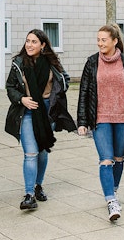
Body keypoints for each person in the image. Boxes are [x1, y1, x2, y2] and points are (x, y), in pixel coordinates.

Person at [76, 23, 124, 222]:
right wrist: (82, 121)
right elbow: (84, 93)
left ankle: (113, 190)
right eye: (98, 40)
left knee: (118, 158)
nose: (100, 43)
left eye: (104, 40)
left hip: (123, 118)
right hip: (100, 118)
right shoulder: (92, 62)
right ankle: (111, 201)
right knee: (106, 159)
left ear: (115, 41)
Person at [5, 29, 76, 211]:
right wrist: (22, 99)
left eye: (34, 42)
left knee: (43, 151)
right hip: (27, 111)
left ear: (43, 45)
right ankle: (29, 195)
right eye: (27, 41)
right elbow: (10, 86)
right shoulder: (19, 63)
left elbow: (65, 80)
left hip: (47, 111)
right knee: (31, 153)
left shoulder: (52, 62)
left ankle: (38, 185)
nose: (29, 45)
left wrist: (55, 97)